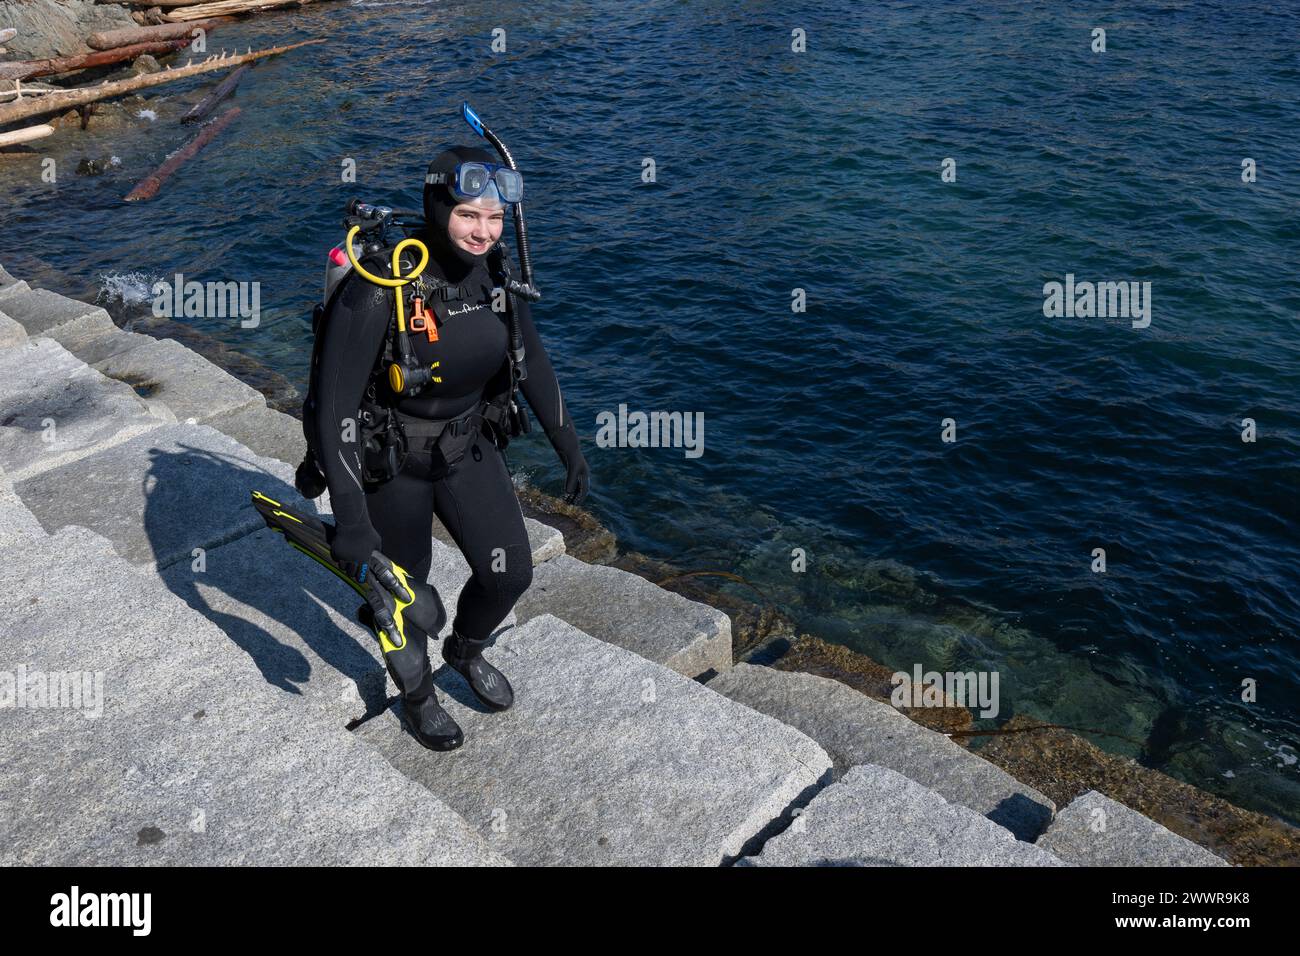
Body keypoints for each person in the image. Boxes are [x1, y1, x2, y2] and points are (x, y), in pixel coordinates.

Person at [310, 144, 589, 751]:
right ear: (437, 207)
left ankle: (464, 649)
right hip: (392, 461)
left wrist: (568, 443)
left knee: (509, 573)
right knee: (409, 600)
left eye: (494, 218)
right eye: (468, 215)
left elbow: (532, 359)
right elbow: (334, 413)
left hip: (466, 446)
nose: (483, 232)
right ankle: (418, 696)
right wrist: (351, 517)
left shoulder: (496, 274)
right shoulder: (380, 287)